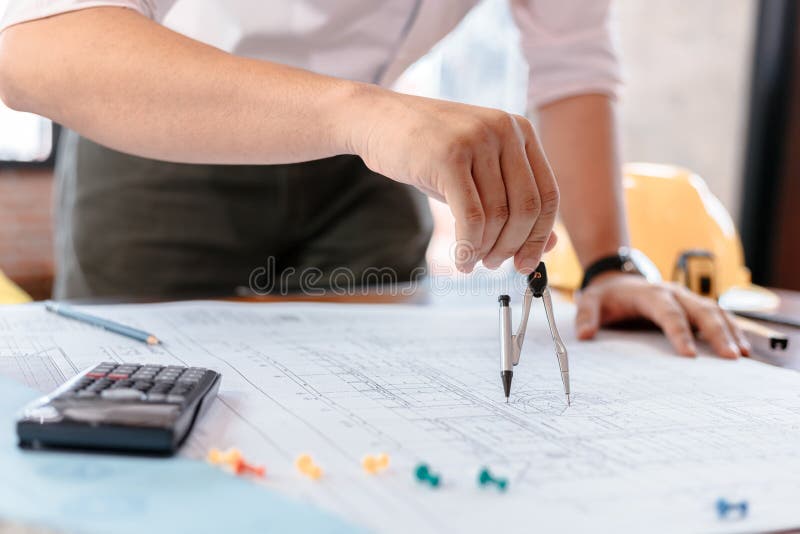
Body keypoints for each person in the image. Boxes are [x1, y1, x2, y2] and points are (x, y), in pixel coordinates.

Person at [0, 0, 749, 359]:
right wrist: (364, 115)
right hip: (166, 136)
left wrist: (611, 265)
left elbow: (572, 59)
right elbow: (34, 45)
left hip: (368, 169)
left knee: (370, 412)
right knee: (141, 405)